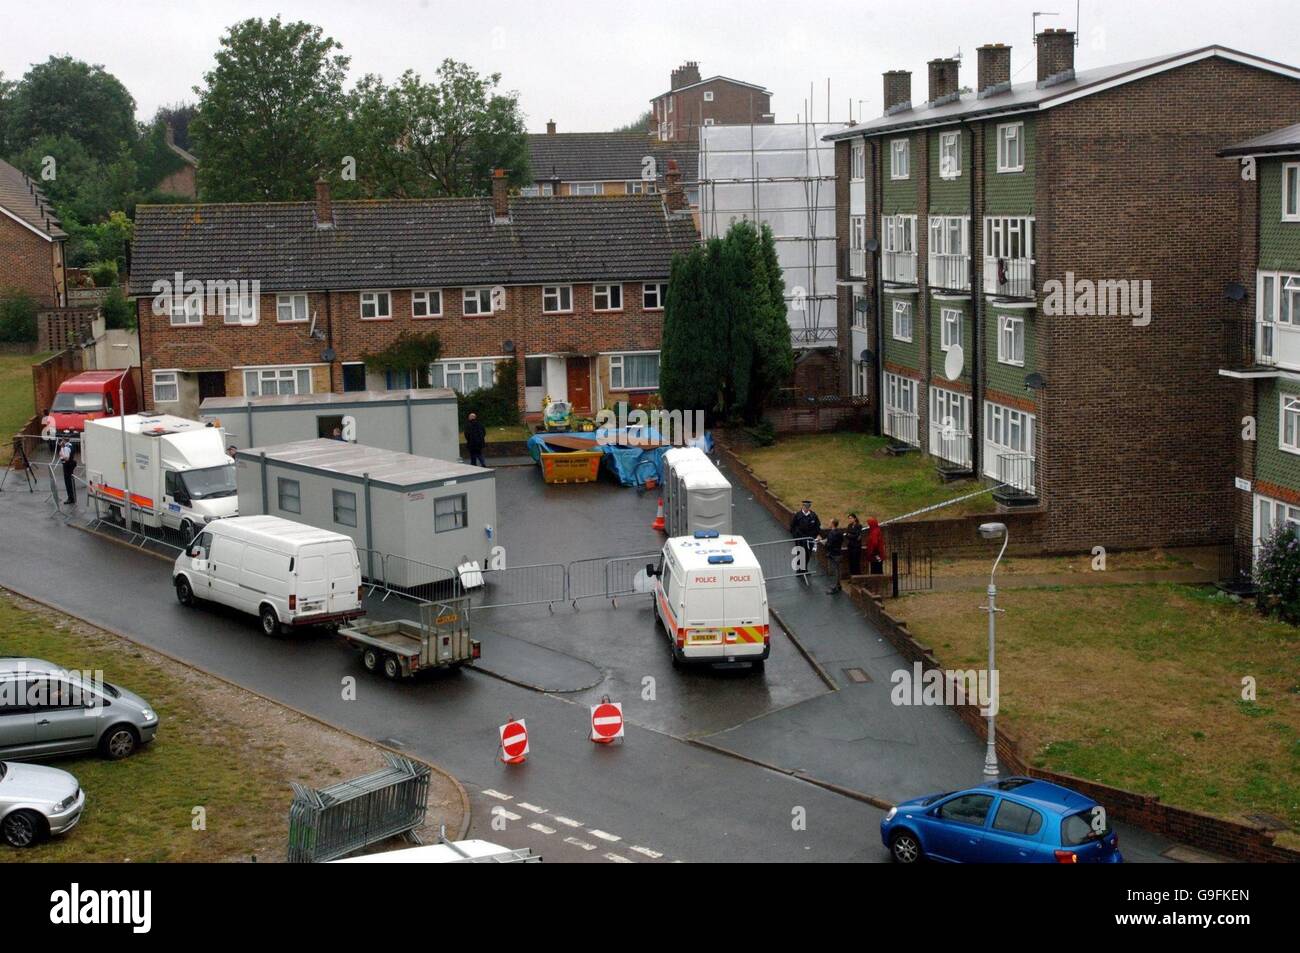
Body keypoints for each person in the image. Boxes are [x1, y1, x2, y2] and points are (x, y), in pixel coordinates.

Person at [790, 499, 821, 586]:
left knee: (808, 554)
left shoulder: (813, 515)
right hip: (800, 538)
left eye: (808, 507)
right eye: (805, 506)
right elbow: (792, 526)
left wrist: (817, 535)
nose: (806, 508)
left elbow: (817, 526)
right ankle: (799, 569)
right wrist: (795, 536)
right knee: (800, 553)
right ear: (802, 506)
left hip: (809, 539)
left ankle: (805, 568)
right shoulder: (798, 515)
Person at [822, 518, 845, 594]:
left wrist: (824, 543)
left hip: (833, 554)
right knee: (838, 570)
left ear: (832, 524)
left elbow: (829, 544)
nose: (829, 524)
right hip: (838, 552)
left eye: (830, 522)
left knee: (835, 571)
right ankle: (838, 585)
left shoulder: (832, 533)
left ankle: (835, 587)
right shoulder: (839, 533)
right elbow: (841, 540)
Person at [59, 438, 77, 506]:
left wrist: (62, 450)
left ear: (64, 440)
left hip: (67, 465)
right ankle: (72, 497)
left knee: (68, 482)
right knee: (71, 481)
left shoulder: (66, 448)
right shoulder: (71, 445)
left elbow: (66, 458)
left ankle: (71, 498)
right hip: (70, 464)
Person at [845, 513, 864, 577]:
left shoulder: (859, 526)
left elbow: (857, 536)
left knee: (856, 561)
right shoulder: (849, 525)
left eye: (851, 518)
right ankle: (852, 575)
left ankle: (857, 576)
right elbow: (847, 535)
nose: (850, 520)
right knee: (851, 562)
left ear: (855, 518)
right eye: (849, 518)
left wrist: (850, 535)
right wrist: (851, 535)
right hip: (850, 546)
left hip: (856, 547)